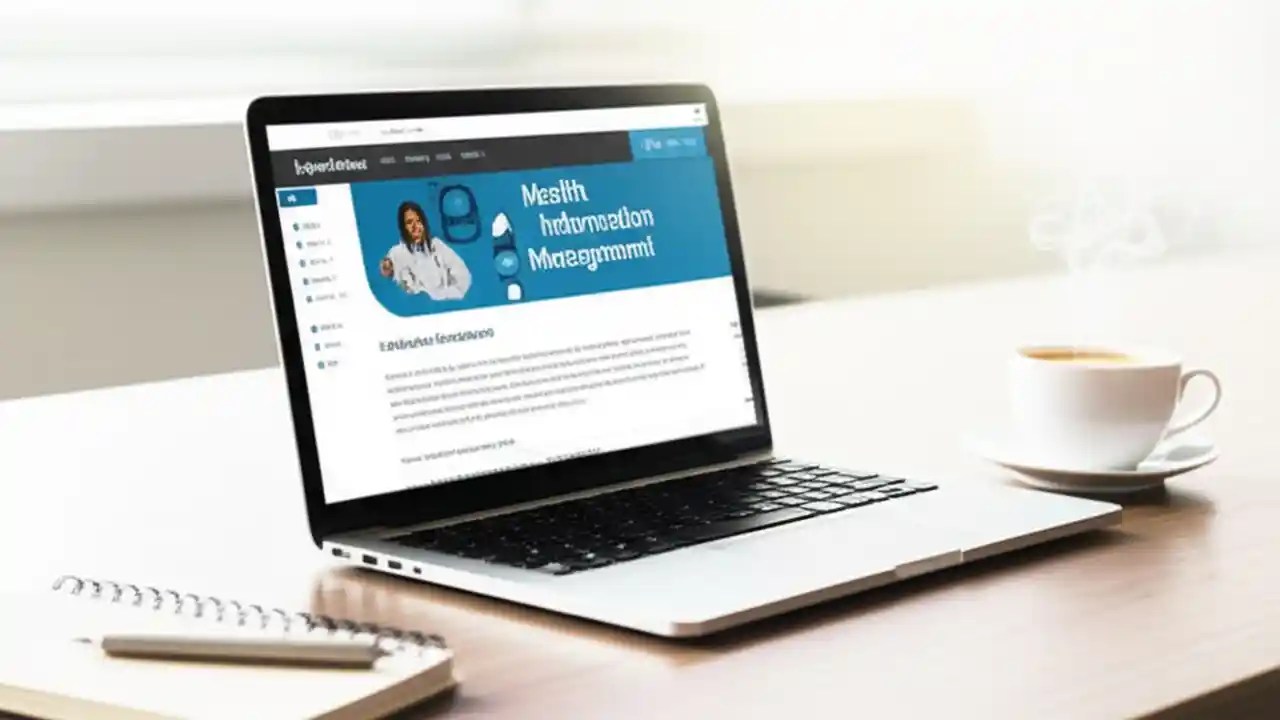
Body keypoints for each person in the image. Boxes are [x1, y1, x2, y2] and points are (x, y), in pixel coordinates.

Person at [379, 201, 472, 300]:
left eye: (418, 221)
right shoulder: (397, 253)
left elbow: (463, 276)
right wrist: (386, 267)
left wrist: (445, 295)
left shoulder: (437, 246)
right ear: (403, 227)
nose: (415, 227)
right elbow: (386, 270)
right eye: (409, 222)